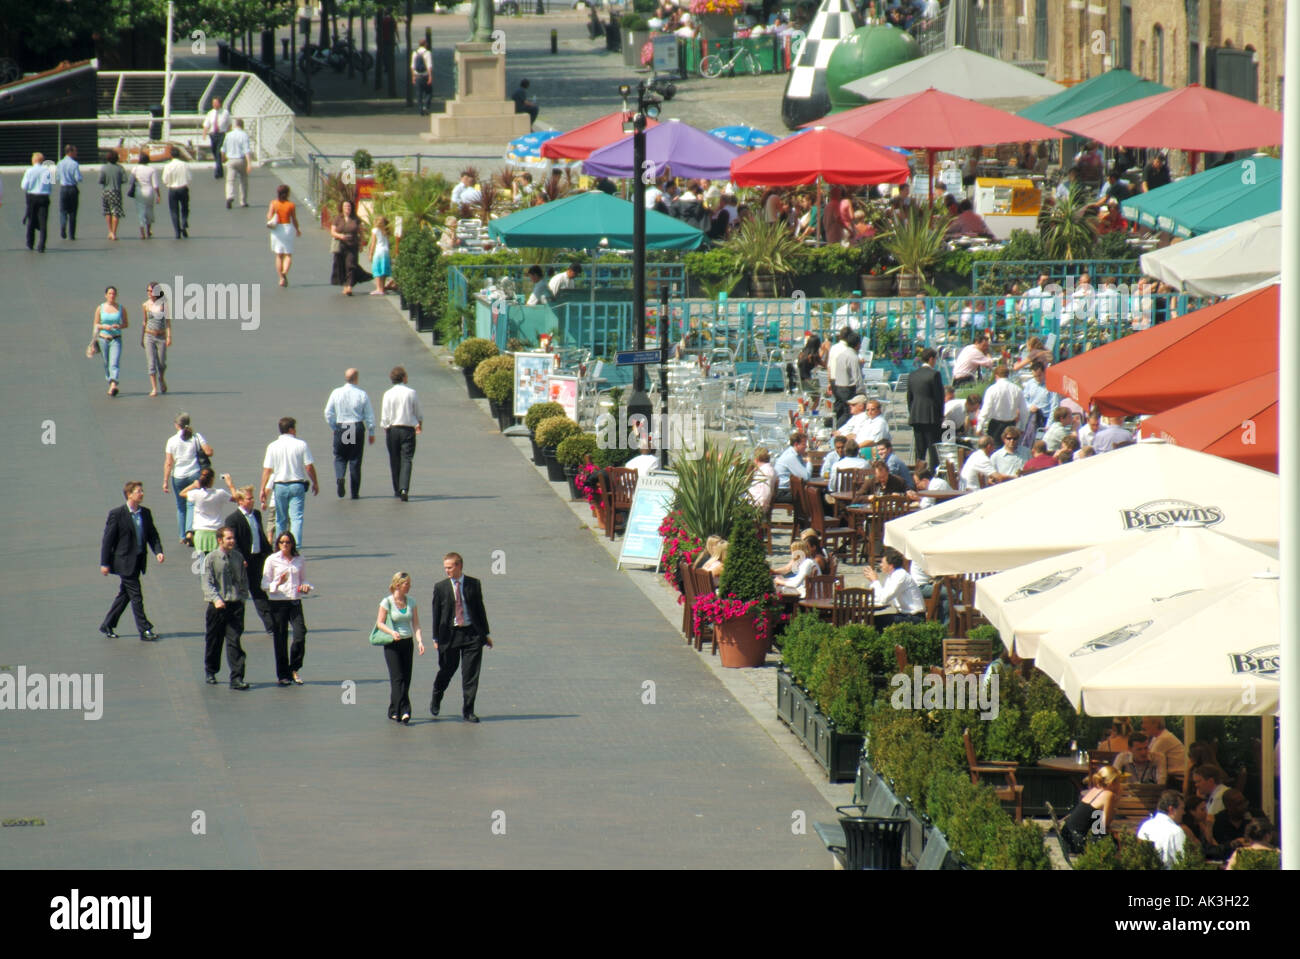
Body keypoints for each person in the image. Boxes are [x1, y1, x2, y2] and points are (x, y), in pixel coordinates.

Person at [429, 552, 493, 723]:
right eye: (445, 568)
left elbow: (480, 609)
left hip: (472, 634)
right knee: (448, 669)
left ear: (459, 566)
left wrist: (485, 634)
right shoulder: (440, 587)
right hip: (450, 635)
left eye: (449, 567)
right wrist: (435, 638)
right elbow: (436, 614)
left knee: (470, 674)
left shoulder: (474, 584)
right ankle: (437, 694)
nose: (446, 571)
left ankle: (468, 710)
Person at [99, 481, 165, 642]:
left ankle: (108, 624)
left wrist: (158, 551)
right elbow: (108, 540)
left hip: (138, 561)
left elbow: (152, 534)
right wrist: (104, 563)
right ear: (129, 494)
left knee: (125, 595)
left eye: (142, 491)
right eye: (138, 491)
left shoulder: (145, 513)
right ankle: (145, 629)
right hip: (124, 562)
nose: (141, 493)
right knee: (136, 595)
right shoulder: (117, 514)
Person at [261, 530, 312, 686]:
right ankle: (283, 674)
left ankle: (294, 668)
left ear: (292, 544)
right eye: (281, 542)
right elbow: (264, 585)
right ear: (278, 544)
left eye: (287, 542)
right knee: (280, 637)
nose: (285, 545)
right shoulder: (272, 560)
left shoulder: (299, 559)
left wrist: (306, 587)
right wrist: (278, 582)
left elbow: (304, 579)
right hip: (278, 602)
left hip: (295, 601)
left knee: (300, 634)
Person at [259, 417, 320, 547]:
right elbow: (308, 466)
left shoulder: (272, 446)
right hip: (297, 484)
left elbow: (267, 470)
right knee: (296, 518)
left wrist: (262, 489)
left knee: (280, 519)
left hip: (279, 485)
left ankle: (281, 546)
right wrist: (315, 482)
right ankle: (295, 546)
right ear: (291, 429)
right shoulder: (301, 444)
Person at [202, 526, 251, 689]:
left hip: (235, 605)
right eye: (228, 538)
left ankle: (236, 678)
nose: (232, 541)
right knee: (214, 640)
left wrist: (243, 597)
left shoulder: (238, 557)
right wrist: (216, 599)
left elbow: (243, 579)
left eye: (233, 538)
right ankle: (211, 670)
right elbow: (207, 583)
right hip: (218, 607)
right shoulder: (211, 558)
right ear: (220, 540)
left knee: (234, 641)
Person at [224, 486, 274, 637]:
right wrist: (240, 559)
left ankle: (271, 625)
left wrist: (270, 556)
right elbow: (234, 543)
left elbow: (261, 536)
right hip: (242, 563)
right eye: (249, 498)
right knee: (240, 596)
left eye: (252, 498)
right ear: (240, 501)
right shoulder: (233, 519)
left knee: (260, 593)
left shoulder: (256, 515)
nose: (253, 501)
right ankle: (236, 627)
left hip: (257, 559)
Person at [376, 571, 426, 723]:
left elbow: (416, 624)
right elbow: (380, 623)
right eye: (406, 584)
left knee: (406, 677)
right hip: (392, 644)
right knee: (397, 678)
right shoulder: (387, 602)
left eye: (409, 584)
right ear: (397, 585)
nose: (409, 586)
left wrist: (419, 641)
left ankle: (394, 709)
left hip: (407, 642)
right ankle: (403, 710)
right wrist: (392, 632)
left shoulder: (411, 602)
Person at [324, 368, 376, 499]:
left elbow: (328, 412)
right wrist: (371, 430)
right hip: (355, 425)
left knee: (340, 456)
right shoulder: (361, 394)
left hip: (343, 425)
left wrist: (334, 426)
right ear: (356, 378)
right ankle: (354, 491)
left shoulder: (336, 392)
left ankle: (340, 477)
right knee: (355, 459)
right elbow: (369, 414)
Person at [162, 413, 213, 546]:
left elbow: (168, 463)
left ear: (176, 425)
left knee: (180, 506)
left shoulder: (171, 441)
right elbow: (209, 452)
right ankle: (190, 531)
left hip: (178, 476)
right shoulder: (196, 437)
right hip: (194, 474)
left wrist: (165, 481)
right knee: (192, 503)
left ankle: (182, 535)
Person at [1062, 765, 1128, 854]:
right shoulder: (1108, 795)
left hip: (1069, 836)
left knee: (1112, 838)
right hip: (1079, 840)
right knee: (1116, 842)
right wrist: (1117, 799)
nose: (1120, 785)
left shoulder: (1094, 790)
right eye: (1119, 782)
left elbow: (1097, 824)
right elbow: (1104, 825)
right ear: (1112, 783)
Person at [381, 366, 422, 501]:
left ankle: (397, 488)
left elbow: (385, 414)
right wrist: (418, 424)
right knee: (407, 459)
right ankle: (404, 487)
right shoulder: (411, 392)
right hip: (407, 429)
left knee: (394, 459)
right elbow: (417, 411)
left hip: (392, 429)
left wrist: (386, 426)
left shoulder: (387, 394)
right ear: (404, 378)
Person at [178, 469, 237, 554]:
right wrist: (230, 484)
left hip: (200, 532)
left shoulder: (197, 494)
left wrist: (194, 485)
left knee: (202, 562)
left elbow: (182, 493)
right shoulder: (220, 493)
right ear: (212, 480)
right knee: (216, 561)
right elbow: (235, 498)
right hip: (215, 532)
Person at [864, 547, 925, 625]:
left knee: (874, 621)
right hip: (904, 614)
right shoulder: (891, 576)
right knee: (871, 619)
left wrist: (875, 581)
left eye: (883, 563)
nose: (880, 565)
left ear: (891, 566)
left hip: (914, 617)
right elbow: (882, 597)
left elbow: (884, 599)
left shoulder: (900, 575)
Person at [907, 348, 944, 469]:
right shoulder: (934, 375)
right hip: (931, 416)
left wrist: (912, 412)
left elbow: (909, 398)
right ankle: (933, 472)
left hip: (916, 415)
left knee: (919, 449)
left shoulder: (913, 375)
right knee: (933, 448)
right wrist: (941, 415)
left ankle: (919, 472)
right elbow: (939, 397)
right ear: (931, 359)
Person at [90, 285, 127, 398]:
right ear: (106, 295)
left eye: (114, 294)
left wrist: (119, 326)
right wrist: (102, 327)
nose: (112, 296)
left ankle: (113, 384)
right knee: (106, 363)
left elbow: (126, 324)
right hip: (103, 338)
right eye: (110, 294)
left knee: (114, 362)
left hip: (116, 338)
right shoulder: (100, 308)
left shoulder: (120, 308)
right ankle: (110, 381)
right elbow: (96, 324)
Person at [1136, 790, 1187, 868]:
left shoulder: (1145, 826)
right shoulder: (1176, 831)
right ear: (1171, 809)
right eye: (1182, 808)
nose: (1184, 812)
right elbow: (1183, 862)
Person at [977, 365, 1027, 444]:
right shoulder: (1017, 389)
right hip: (1011, 425)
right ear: (1008, 375)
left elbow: (986, 410)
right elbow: (1024, 411)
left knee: (995, 451)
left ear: (996, 376)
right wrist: (1022, 427)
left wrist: (979, 427)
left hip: (996, 426)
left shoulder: (992, 389)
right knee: (1011, 449)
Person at [773, 430, 811, 533]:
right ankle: (809, 525)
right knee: (811, 496)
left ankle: (808, 524)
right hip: (781, 492)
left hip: (784, 490)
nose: (806, 447)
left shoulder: (795, 455)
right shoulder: (791, 457)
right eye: (804, 444)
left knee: (811, 494)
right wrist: (809, 462)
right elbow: (806, 476)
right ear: (796, 444)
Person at [826, 328, 863, 427]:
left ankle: (830, 424)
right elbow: (856, 375)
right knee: (848, 411)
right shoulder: (851, 354)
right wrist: (861, 391)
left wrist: (829, 382)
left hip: (836, 381)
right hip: (846, 385)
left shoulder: (834, 348)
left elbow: (829, 366)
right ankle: (837, 429)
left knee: (838, 407)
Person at [267, 183, 301, 287]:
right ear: (287, 194)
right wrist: (297, 229)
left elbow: (269, 216)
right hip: (287, 228)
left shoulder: (273, 203)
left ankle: (281, 278)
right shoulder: (291, 205)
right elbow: (294, 219)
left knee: (279, 255)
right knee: (288, 254)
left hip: (277, 229)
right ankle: (284, 272)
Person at [140, 281, 171, 398]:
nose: (149, 293)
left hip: (161, 336)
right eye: (147, 291)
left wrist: (169, 336)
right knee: (151, 363)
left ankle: (161, 378)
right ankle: (154, 388)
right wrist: (142, 337)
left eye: (151, 291)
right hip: (149, 336)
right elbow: (144, 321)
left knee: (162, 363)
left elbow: (168, 321)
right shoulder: (145, 305)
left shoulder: (163, 304)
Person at [20, 152, 53, 252]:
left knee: (31, 220)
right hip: (44, 196)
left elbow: (24, 186)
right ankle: (42, 245)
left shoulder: (29, 171)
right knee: (43, 222)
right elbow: (50, 186)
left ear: (33, 160)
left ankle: (30, 243)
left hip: (32, 197)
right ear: (42, 160)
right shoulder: (47, 171)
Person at [330, 199, 363, 295]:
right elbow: (332, 231)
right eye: (345, 206)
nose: (347, 208)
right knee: (341, 266)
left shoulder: (356, 219)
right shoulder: (338, 218)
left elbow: (361, 232)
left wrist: (361, 244)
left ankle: (349, 286)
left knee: (351, 265)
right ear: (342, 208)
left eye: (349, 206)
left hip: (352, 245)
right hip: (340, 245)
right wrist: (340, 236)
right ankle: (345, 285)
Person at [1140, 716, 1187, 783]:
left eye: (1145, 723)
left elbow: (1148, 759)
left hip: (1177, 780)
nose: (1142, 726)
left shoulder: (1163, 739)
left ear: (1156, 724)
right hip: (1173, 778)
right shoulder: (1157, 737)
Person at [221, 118, 253, 209]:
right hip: (241, 159)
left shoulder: (228, 135)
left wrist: (223, 158)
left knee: (230, 181)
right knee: (243, 180)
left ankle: (229, 196)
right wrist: (249, 163)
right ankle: (243, 201)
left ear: (235, 125)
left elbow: (223, 149)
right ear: (242, 126)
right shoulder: (244, 135)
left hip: (231, 160)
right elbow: (246, 150)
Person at [129, 151, 161, 240]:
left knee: (141, 212)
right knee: (149, 211)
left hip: (139, 192)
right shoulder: (152, 169)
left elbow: (130, 181)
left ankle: (142, 233)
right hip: (150, 191)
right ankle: (148, 231)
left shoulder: (135, 169)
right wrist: (158, 195)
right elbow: (155, 185)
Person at [98, 150, 127, 241]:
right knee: (116, 212)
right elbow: (125, 179)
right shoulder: (120, 168)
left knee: (107, 211)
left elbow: (100, 180)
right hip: (116, 191)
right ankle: (114, 232)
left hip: (106, 191)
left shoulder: (104, 168)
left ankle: (110, 231)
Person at [1211, 789, 1252, 853]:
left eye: (1245, 801)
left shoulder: (1254, 815)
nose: (1244, 806)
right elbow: (1212, 849)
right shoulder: (1218, 821)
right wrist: (1232, 844)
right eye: (1239, 803)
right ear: (1228, 806)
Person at [56, 144, 82, 241]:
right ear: (70, 152)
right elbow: (78, 178)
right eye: (75, 151)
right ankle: (72, 234)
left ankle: (63, 226)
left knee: (63, 210)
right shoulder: (74, 164)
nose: (76, 153)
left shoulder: (60, 163)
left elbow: (57, 177)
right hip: (72, 188)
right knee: (73, 212)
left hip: (63, 188)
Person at [202, 96, 231, 178]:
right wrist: (204, 134)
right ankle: (220, 170)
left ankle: (217, 172)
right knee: (215, 152)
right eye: (213, 103)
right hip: (212, 135)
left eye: (215, 103)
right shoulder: (210, 113)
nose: (214, 104)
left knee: (218, 152)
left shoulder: (225, 113)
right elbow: (206, 124)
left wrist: (228, 134)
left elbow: (229, 124)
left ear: (220, 103)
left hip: (221, 134)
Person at [367, 215, 392, 295]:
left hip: (379, 251)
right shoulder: (386, 231)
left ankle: (378, 288)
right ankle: (382, 288)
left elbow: (373, 243)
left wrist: (370, 254)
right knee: (384, 269)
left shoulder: (375, 230)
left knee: (377, 269)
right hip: (386, 251)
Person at [411, 38, 434, 115]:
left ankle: (420, 109)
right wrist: (430, 76)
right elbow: (429, 66)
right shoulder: (427, 53)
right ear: (425, 44)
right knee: (429, 92)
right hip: (425, 76)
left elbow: (412, 66)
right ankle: (426, 106)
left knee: (419, 93)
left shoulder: (415, 53)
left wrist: (413, 77)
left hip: (417, 76)